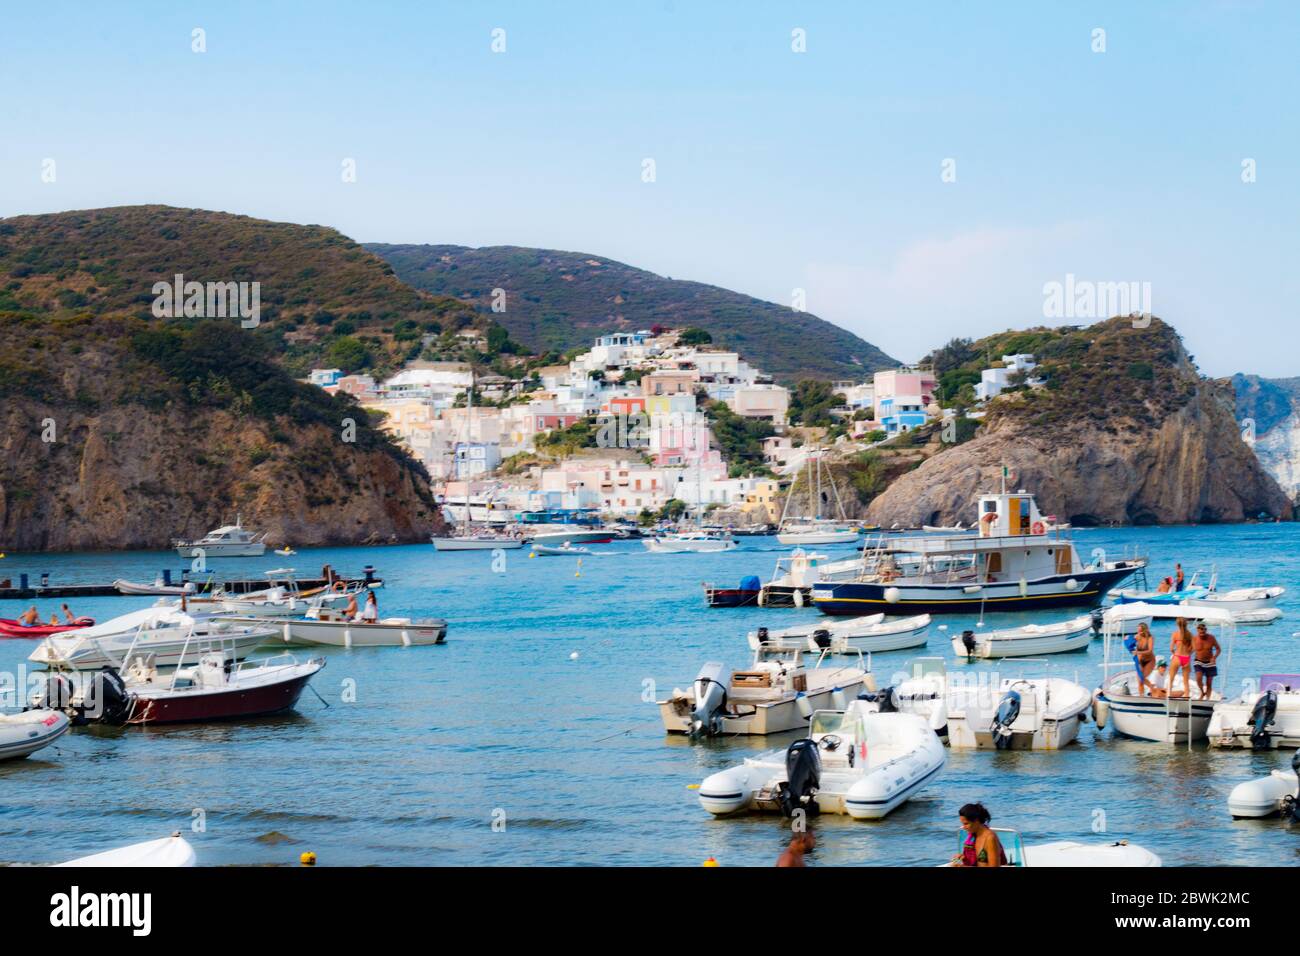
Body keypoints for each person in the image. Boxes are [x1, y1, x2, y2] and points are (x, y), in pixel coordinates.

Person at [952, 803, 1005, 867]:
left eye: (966, 824)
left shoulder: (990, 838)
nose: (963, 827)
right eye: (963, 824)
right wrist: (965, 858)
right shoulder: (974, 837)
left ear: (976, 821)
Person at [1192, 622, 1222, 698]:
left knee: (1209, 683)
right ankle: (1202, 692)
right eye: (1200, 632)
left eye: (1203, 632)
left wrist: (1214, 657)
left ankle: (1207, 699)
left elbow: (1218, 649)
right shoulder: (1194, 639)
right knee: (1198, 678)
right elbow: (1188, 649)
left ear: (1206, 630)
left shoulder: (1211, 638)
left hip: (1210, 662)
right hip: (1198, 661)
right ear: (1197, 631)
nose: (1202, 634)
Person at [1169, 618, 1194, 697]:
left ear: (1177, 624)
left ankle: (1168, 695)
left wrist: (1174, 653)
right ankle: (1186, 697)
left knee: (1171, 679)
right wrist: (1189, 653)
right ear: (1186, 624)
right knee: (1186, 682)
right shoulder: (1190, 634)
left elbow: (1171, 648)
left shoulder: (1175, 634)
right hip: (1186, 658)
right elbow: (1194, 648)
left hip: (1177, 657)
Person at [1130, 622, 1156, 695]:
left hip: (1149, 661)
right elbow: (1128, 641)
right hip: (1140, 661)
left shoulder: (1150, 638)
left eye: (1140, 631)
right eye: (1138, 630)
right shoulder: (1137, 637)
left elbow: (1150, 651)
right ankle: (1141, 696)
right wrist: (1126, 639)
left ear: (1146, 630)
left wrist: (1138, 653)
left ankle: (1152, 687)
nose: (1139, 632)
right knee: (1140, 681)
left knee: (1142, 678)